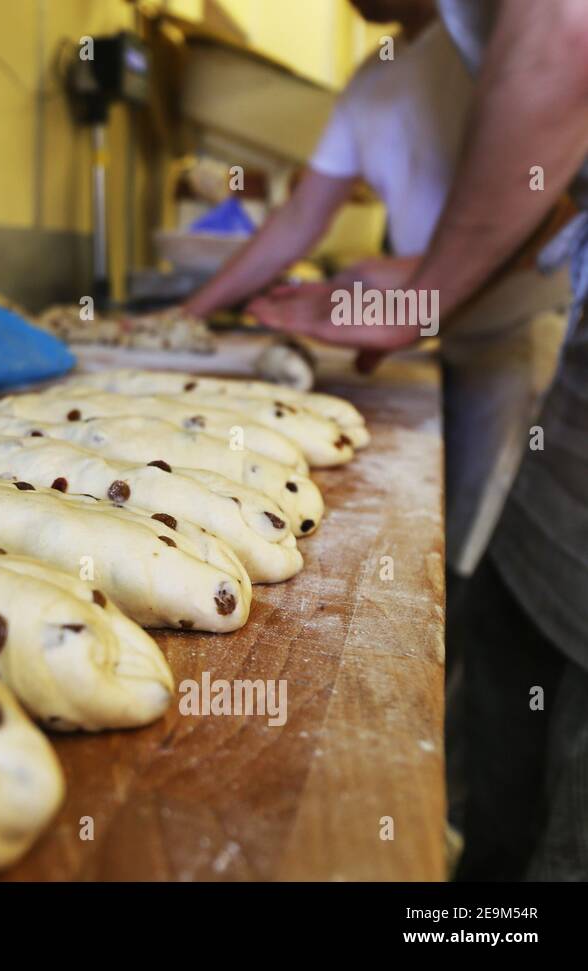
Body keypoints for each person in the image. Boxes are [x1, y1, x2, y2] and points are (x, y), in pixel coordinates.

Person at [249, 0, 588, 880]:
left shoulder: (472, 45)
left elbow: (567, 31)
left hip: (525, 336)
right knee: (511, 616)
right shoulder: (396, 64)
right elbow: (296, 222)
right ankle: (477, 877)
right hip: (513, 345)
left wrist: (427, 288)